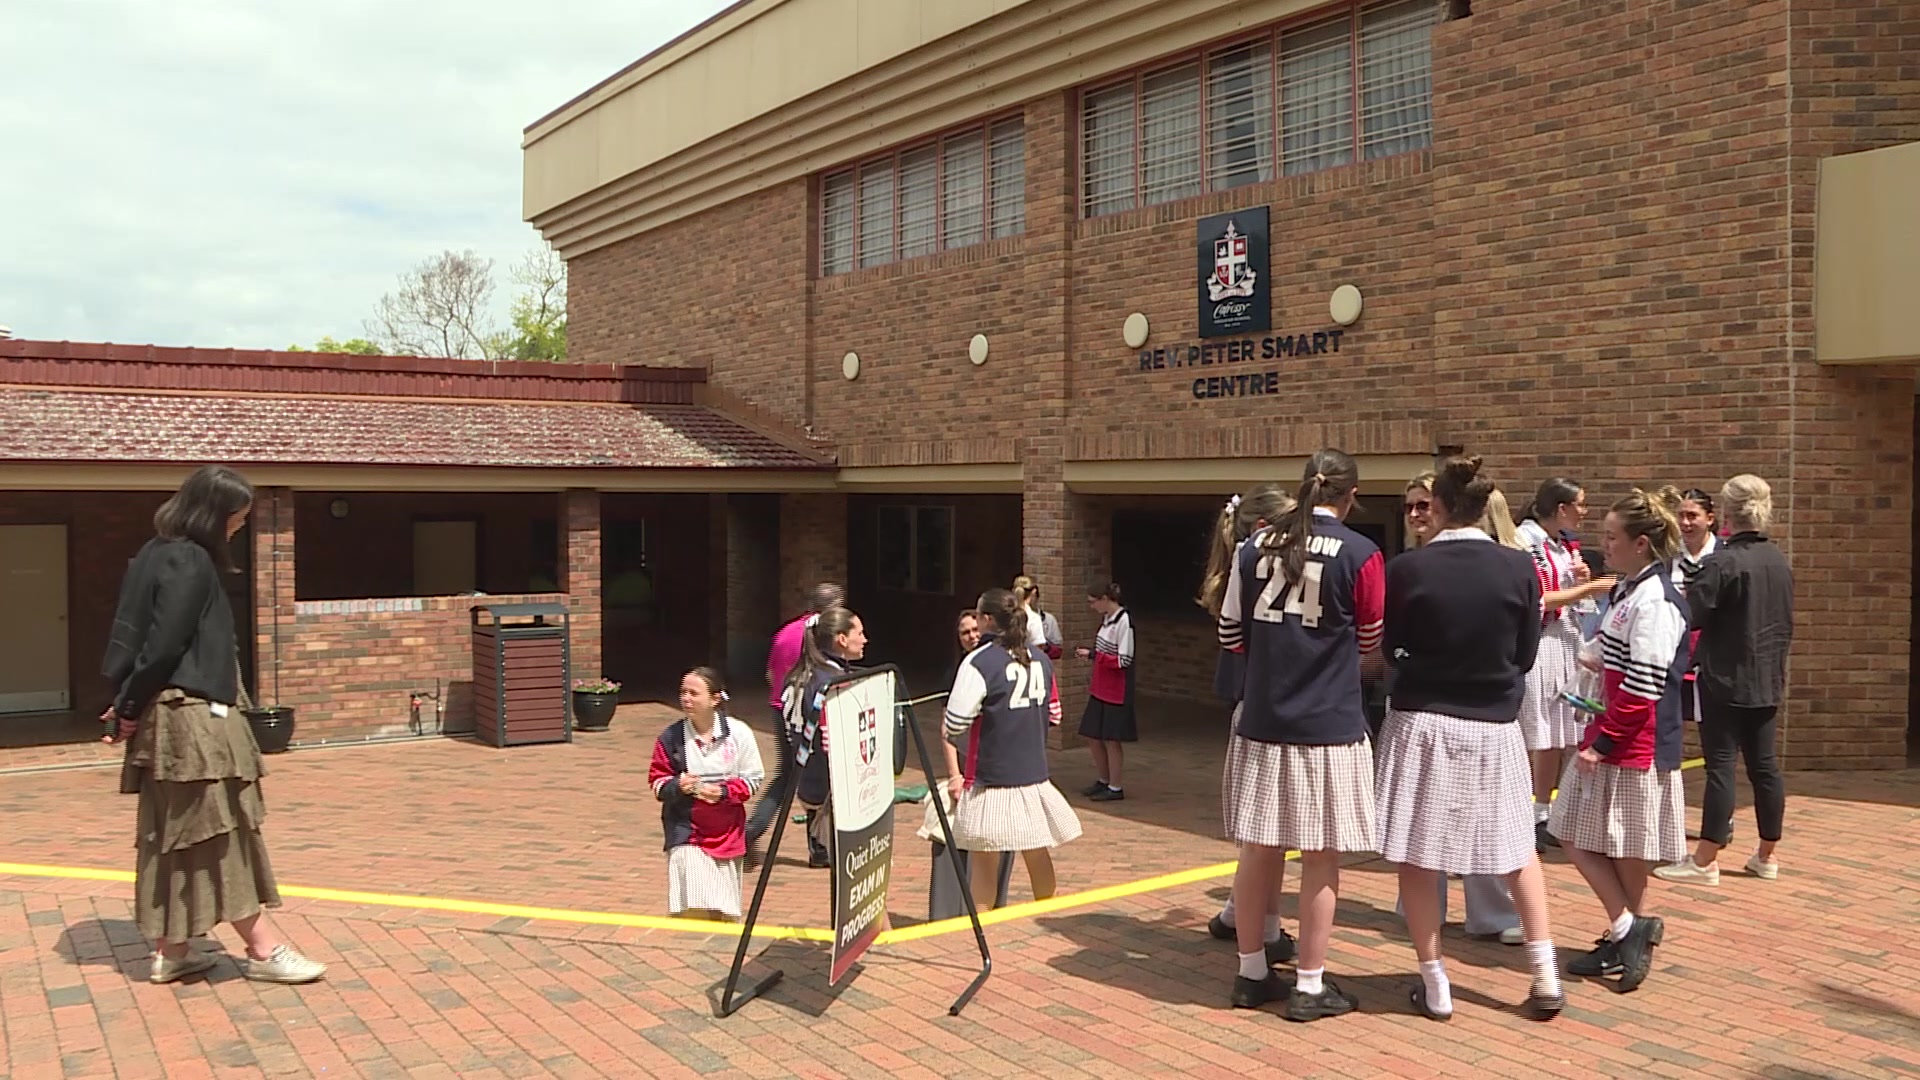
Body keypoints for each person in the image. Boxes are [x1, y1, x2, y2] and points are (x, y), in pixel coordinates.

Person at [98, 464, 326, 985]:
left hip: (169, 718)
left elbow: (133, 639)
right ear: (210, 514)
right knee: (219, 831)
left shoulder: (153, 553)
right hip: (195, 719)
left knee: (176, 834)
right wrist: (128, 706)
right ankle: (264, 950)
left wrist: (127, 703)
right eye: (235, 518)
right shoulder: (190, 560)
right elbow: (165, 646)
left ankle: (174, 949)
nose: (238, 527)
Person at [1375, 456, 1563, 1022]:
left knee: (1417, 854)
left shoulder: (1407, 568)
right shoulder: (1520, 567)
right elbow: (1525, 652)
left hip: (1422, 719)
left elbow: (1392, 647)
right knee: (1516, 850)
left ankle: (1436, 983)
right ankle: (1546, 975)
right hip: (1494, 723)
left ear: (1437, 506)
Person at [1219, 449, 1382, 1020]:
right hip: (1328, 723)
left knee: (1258, 846)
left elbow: (1230, 633)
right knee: (1320, 855)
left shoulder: (1252, 548)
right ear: (1351, 495)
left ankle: (1250, 973)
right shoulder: (1361, 552)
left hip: (1263, 717)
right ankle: (1309, 985)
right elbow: (1370, 640)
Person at [1550, 487, 1691, 994]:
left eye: (1612, 537)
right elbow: (1614, 653)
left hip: (1636, 743)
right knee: (1581, 833)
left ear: (1641, 543)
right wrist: (1592, 657)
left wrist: (1602, 744)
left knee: (1615, 843)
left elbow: (1644, 687)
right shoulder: (1631, 590)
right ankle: (1628, 929)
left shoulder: (1656, 600)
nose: (1604, 545)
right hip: (1617, 733)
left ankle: (1625, 930)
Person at [1394, 472, 1525, 948]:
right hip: (1425, 706)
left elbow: (1521, 649)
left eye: (1424, 505)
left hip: (1481, 710)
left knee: (1484, 815)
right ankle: (1420, 911)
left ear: (1445, 507)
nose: (1416, 514)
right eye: (1409, 506)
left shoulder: (1506, 563)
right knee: (1424, 819)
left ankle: (1491, 911)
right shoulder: (1405, 567)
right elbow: (1392, 642)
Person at [1654, 475, 1794, 885]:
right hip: (1767, 676)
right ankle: (1767, 855)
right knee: (1764, 767)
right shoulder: (1778, 561)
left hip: (1724, 677)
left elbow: (1690, 616)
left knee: (1721, 766)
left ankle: (1705, 860)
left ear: (1727, 514)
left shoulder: (1723, 563)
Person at [1198, 484, 1298, 962]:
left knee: (1266, 832)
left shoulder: (1247, 566)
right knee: (1266, 832)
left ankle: (1239, 913)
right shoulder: (1254, 567)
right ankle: (1263, 930)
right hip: (1259, 703)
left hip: (1252, 698)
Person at [941, 588, 1083, 910]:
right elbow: (1055, 715)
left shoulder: (978, 661)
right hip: (1033, 771)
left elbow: (955, 722)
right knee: (1035, 848)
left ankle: (981, 929)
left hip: (991, 774)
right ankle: (1048, 913)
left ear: (987, 619)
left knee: (984, 857)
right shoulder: (1040, 658)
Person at [1516, 479, 1615, 850]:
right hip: (1541, 643)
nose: (1584, 512)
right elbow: (1538, 599)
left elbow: (1574, 601)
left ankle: (1542, 811)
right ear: (1561, 508)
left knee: (1558, 732)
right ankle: (1519, 812)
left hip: (1567, 640)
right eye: (1580, 504)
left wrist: (1582, 583)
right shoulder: (1526, 541)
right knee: (1535, 728)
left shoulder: (1563, 545)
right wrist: (1589, 589)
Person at [650, 667, 765, 920]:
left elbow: (753, 779)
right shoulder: (671, 737)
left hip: (727, 828)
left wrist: (724, 792)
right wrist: (678, 785)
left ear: (715, 699)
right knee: (695, 901)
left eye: (694, 693)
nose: (686, 698)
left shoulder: (739, 733)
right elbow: (658, 780)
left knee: (725, 910)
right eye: (683, 692)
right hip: (686, 828)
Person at [748, 582, 844, 858]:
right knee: (815, 772)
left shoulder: (786, 632)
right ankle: (817, 847)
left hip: (781, 707)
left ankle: (757, 831)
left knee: (791, 772)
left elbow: (770, 674)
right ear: (834, 607)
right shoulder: (821, 636)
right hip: (808, 710)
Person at [783, 606, 869, 868]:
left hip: (805, 771)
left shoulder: (799, 674)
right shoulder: (833, 682)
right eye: (859, 633)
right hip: (829, 781)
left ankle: (819, 850)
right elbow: (836, 739)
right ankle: (824, 850)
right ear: (842, 639)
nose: (864, 639)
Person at [1074, 581, 1134, 802]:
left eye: (1093, 602)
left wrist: (1095, 656)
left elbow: (1124, 659)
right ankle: (1103, 779)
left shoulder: (1124, 621)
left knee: (1111, 739)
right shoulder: (1107, 619)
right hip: (1099, 688)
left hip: (1115, 690)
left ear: (1105, 599)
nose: (1092, 607)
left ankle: (1115, 786)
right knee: (1092, 735)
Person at [1011, 575, 1064, 660]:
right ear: (1034, 592)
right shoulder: (1034, 618)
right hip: (1027, 661)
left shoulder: (1003, 614)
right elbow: (1038, 649)